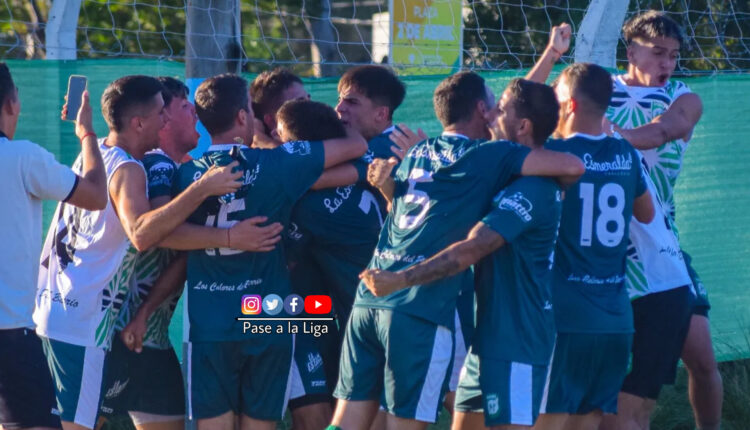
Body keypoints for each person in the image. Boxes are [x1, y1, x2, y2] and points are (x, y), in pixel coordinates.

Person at [328, 71, 584, 430]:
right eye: (493, 107)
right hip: (418, 308)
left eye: (502, 109)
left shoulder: (418, 151)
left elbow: (418, 216)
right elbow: (573, 166)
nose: (495, 114)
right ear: (480, 109)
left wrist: (389, 188)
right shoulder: (489, 155)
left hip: (371, 300)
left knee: (347, 420)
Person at [528, 14, 720, 430]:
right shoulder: (596, 89)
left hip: (654, 247)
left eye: (673, 55)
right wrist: (552, 54)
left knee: (701, 358)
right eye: (657, 53)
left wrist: (597, 140)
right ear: (630, 51)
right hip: (593, 259)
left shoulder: (682, 96)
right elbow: (525, 108)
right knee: (595, 407)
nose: (667, 64)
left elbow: (661, 132)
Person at [33, 75, 246, 430]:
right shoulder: (130, 169)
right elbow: (142, 233)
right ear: (138, 122)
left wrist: (84, 130)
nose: (165, 121)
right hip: (81, 325)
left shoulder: (96, 153)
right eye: (162, 113)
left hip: (54, 312)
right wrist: (204, 190)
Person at [172, 73, 366, 430]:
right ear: (244, 117)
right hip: (266, 320)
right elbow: (355, 146)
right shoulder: (279, 164)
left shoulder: (185, 176)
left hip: (210, 324)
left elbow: (164, 233)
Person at [98, 77, 284, 430]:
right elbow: (157, 235)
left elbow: (185, 256)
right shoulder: (159, 168)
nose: (195, 116)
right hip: (117, 332)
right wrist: (229, 237)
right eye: (186, 108)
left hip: (150, 334)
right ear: (160, 118)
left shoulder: (183, 169)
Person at [531, 63, 654, 430]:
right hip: (615, 319)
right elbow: (645, 214)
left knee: (546, 420)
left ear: (568, 105)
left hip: (565, 317)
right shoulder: (625, 153)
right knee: (587, 422)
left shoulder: (550, 154)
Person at [0, 63, 107, 430]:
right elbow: (95, 195)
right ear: (12, 104)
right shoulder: (22, 158)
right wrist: (87, 133)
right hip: (10, 337)